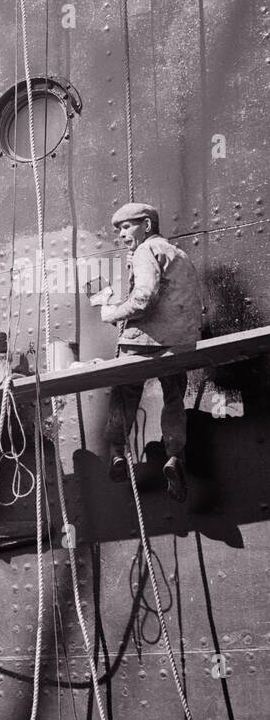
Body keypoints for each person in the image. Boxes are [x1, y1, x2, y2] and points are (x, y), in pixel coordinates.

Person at [91, 202, 201, 502]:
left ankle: (116, 453)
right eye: (119, 230)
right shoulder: (179, 254)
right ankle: (175, 456)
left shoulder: (144, 252)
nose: (122, 235)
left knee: (124, 394)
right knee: (175, 398)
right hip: (180, 344)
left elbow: (144, 298)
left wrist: (112, 312)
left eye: (127, 227)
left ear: (147, 226)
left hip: (143, 341)